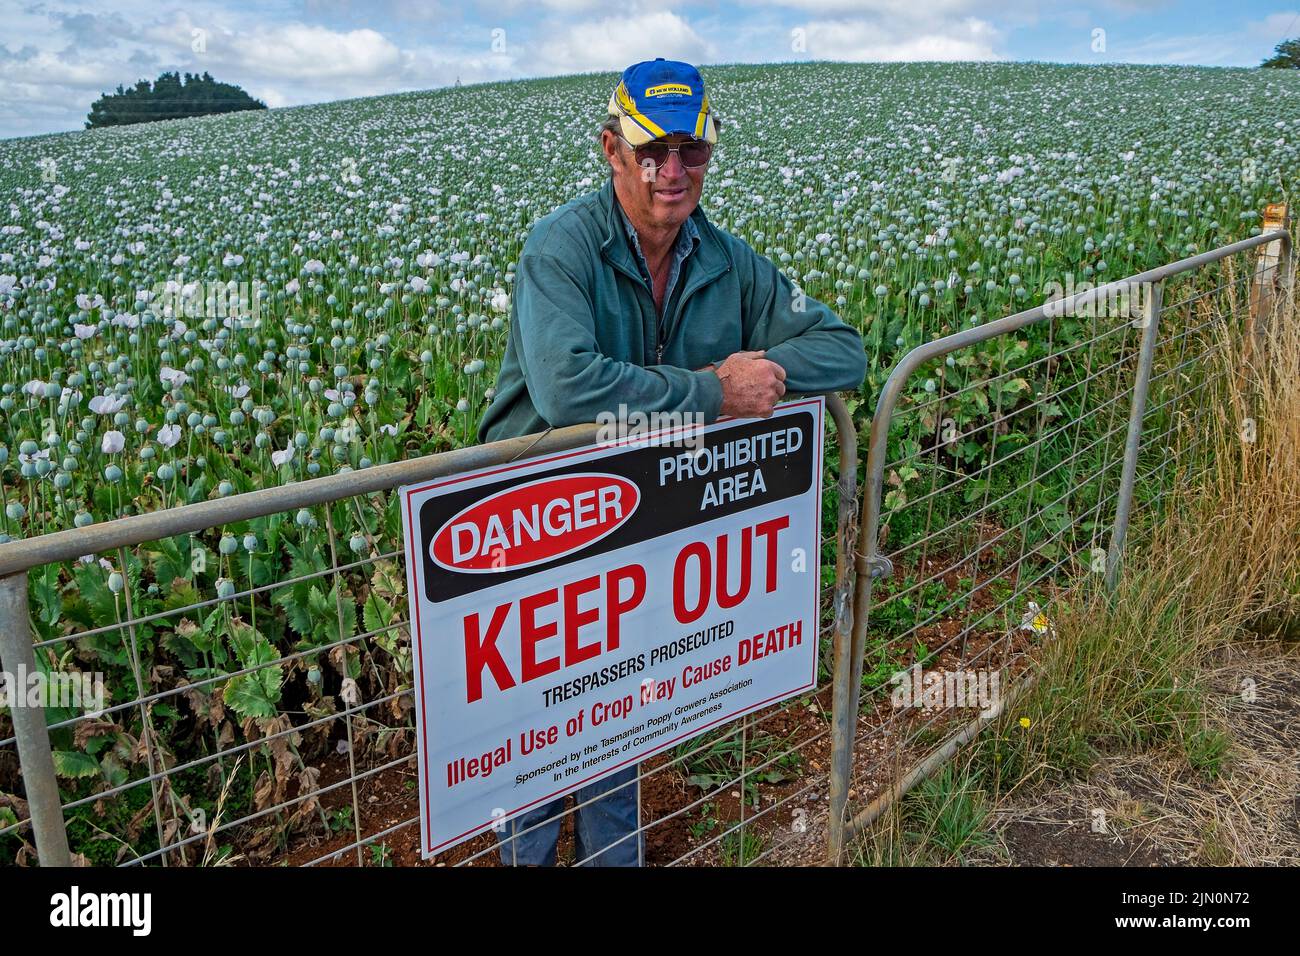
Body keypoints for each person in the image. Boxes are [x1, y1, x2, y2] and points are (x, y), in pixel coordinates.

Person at [478, 57, 867, 866]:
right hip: (538, 515)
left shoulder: (724, 258)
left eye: (692, 150)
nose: (672, 171)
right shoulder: (562, 247)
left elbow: (843, 348)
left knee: (616, 705)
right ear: (611, 148)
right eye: (651, 150)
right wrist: (712, 393)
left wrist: (763, 374)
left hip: (646, 517)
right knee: (544, 725)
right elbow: (566, 390)